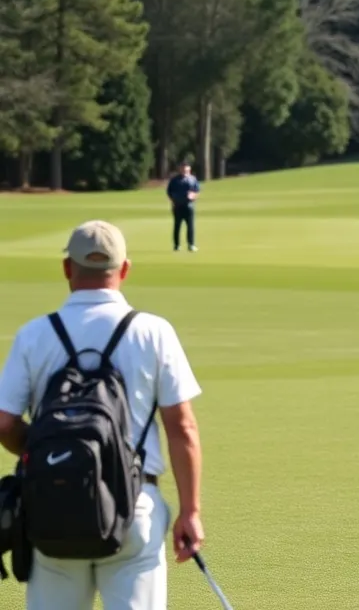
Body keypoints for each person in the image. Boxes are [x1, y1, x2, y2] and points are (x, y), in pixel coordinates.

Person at [0, 220, 205, 609]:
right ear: (124, 269)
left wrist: (48, 450)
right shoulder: (154, 332)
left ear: (67, 269)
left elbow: (4, 423)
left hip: (52, 507)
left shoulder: (34, 334)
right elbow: (183, 428)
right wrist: (190, 512)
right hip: (134, 505)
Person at [166, 161, 200, 252]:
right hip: (177, 206)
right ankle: (177, 245)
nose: (184, 170)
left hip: (189, 206)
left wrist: (193, 196)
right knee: (177, 226)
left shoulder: (193, 179)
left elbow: (196, 191)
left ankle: (191, 245)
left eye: (186, 169)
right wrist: (173, 200)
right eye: (182, 168)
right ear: (180, 169)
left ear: (189, 169)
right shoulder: (174, 180)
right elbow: (169, 192)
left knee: (190, 226)